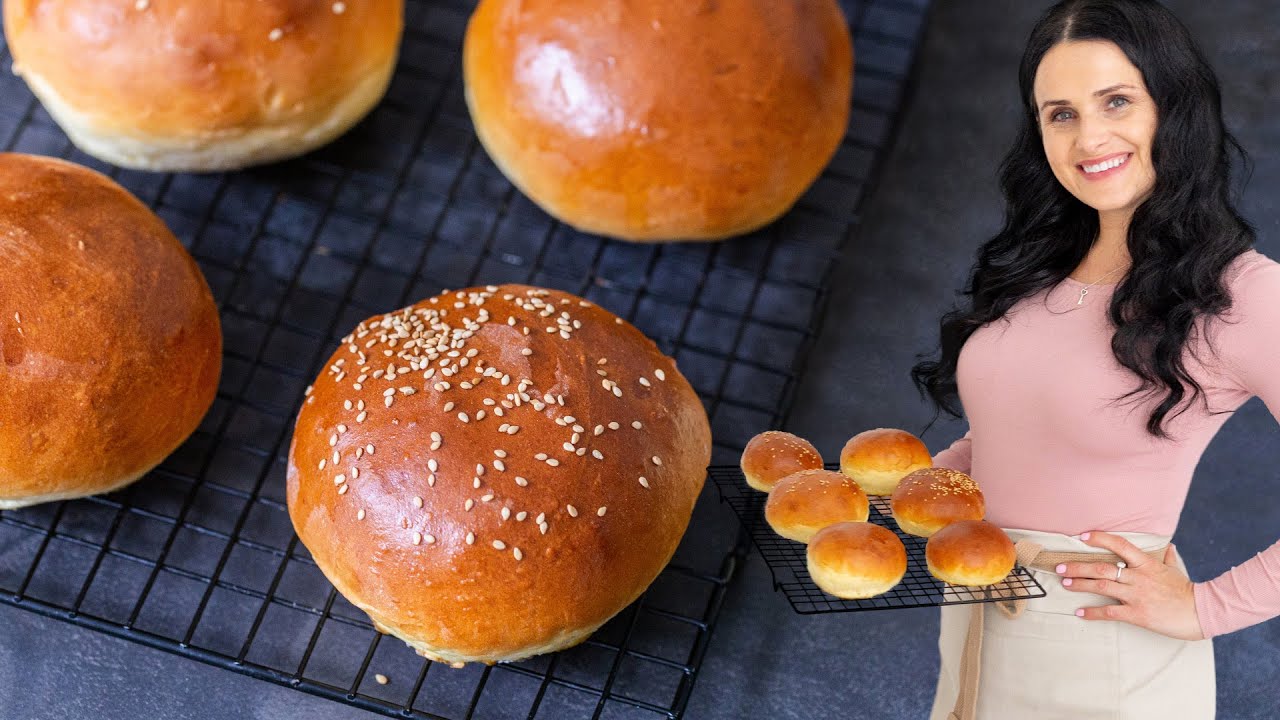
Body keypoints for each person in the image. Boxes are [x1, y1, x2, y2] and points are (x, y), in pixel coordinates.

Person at [909, 1, 1280, 718]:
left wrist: (1208, 608)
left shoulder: (1242, 293)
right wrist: (893, 495)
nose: (1089, 137)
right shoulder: (1038, 269)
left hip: (1107, 658)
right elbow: (1016, 435)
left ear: (1172, 106)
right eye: (1061, 114)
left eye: (1116, 101)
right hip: (980, 630)